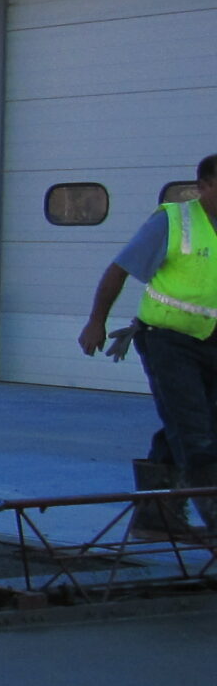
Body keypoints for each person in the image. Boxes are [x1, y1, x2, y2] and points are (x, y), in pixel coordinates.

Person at [78, 152, 217, 526]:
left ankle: (155, 516)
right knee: (197, 436)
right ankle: (212, 516)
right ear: (203, 186)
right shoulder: (174, 222)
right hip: (168, 341)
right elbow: (119, 270)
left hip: (213, 342)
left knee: (193, 425)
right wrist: (96, 322)